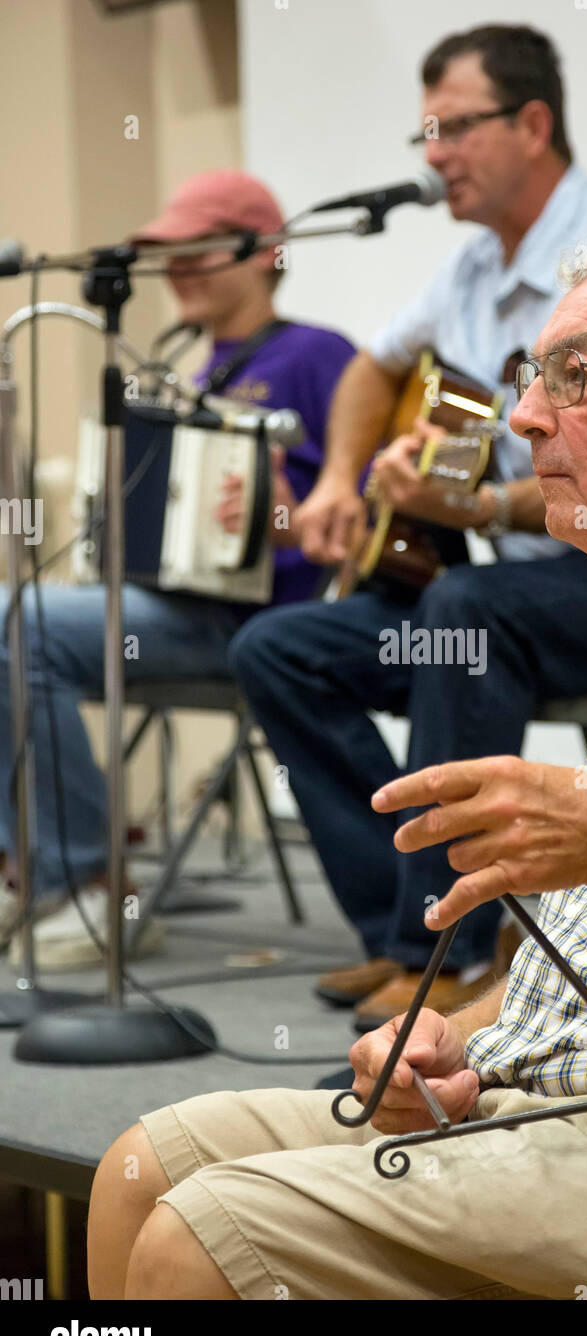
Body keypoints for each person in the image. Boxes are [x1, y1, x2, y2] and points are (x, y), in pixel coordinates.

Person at [88, 227, 587, 1301]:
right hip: (581, 1099)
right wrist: (446, 1039)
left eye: (573, 377)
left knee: (205, 1234)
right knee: (142, 1168)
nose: (524, 417)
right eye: (529, 376)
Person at [229, 24, 587, 1030]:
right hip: (497, 589)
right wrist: (342, 480)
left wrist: (475, 505)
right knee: (281, 648)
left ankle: (442, 949)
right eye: (424, 133)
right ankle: (413, 925)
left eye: (452, 128)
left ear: (532, 124)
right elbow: (376, 368)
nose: (429, 156)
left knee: (468, 605)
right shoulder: (466, 273)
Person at [0, 169, 355, 970]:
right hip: (163, 604)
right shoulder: (186, 369)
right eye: (170, 254)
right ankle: (27, 862)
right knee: (10, 613)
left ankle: (90, 886)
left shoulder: (320, 355)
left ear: (263, 253)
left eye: (198, 250)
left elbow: (357, 519)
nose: (178, 269)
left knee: (20, 622)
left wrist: (272, 519)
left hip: (255, 624)